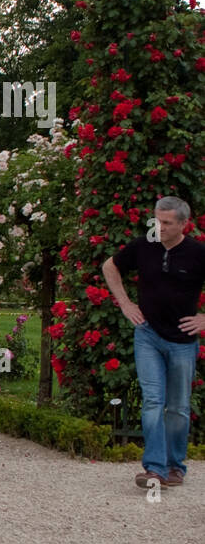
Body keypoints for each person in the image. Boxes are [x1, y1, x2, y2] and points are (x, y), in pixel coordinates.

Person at [101, 196, 205, 489]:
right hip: (148, 335)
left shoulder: (197, 253)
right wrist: (124, 303)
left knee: (178, 407)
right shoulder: (143, 246)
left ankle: (175, 467)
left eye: (166, 222)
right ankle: (155, 469)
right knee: (153, 401)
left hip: (183, 341)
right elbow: (110, 267)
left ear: (184, 224)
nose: (159, 227)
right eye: (157, 220)